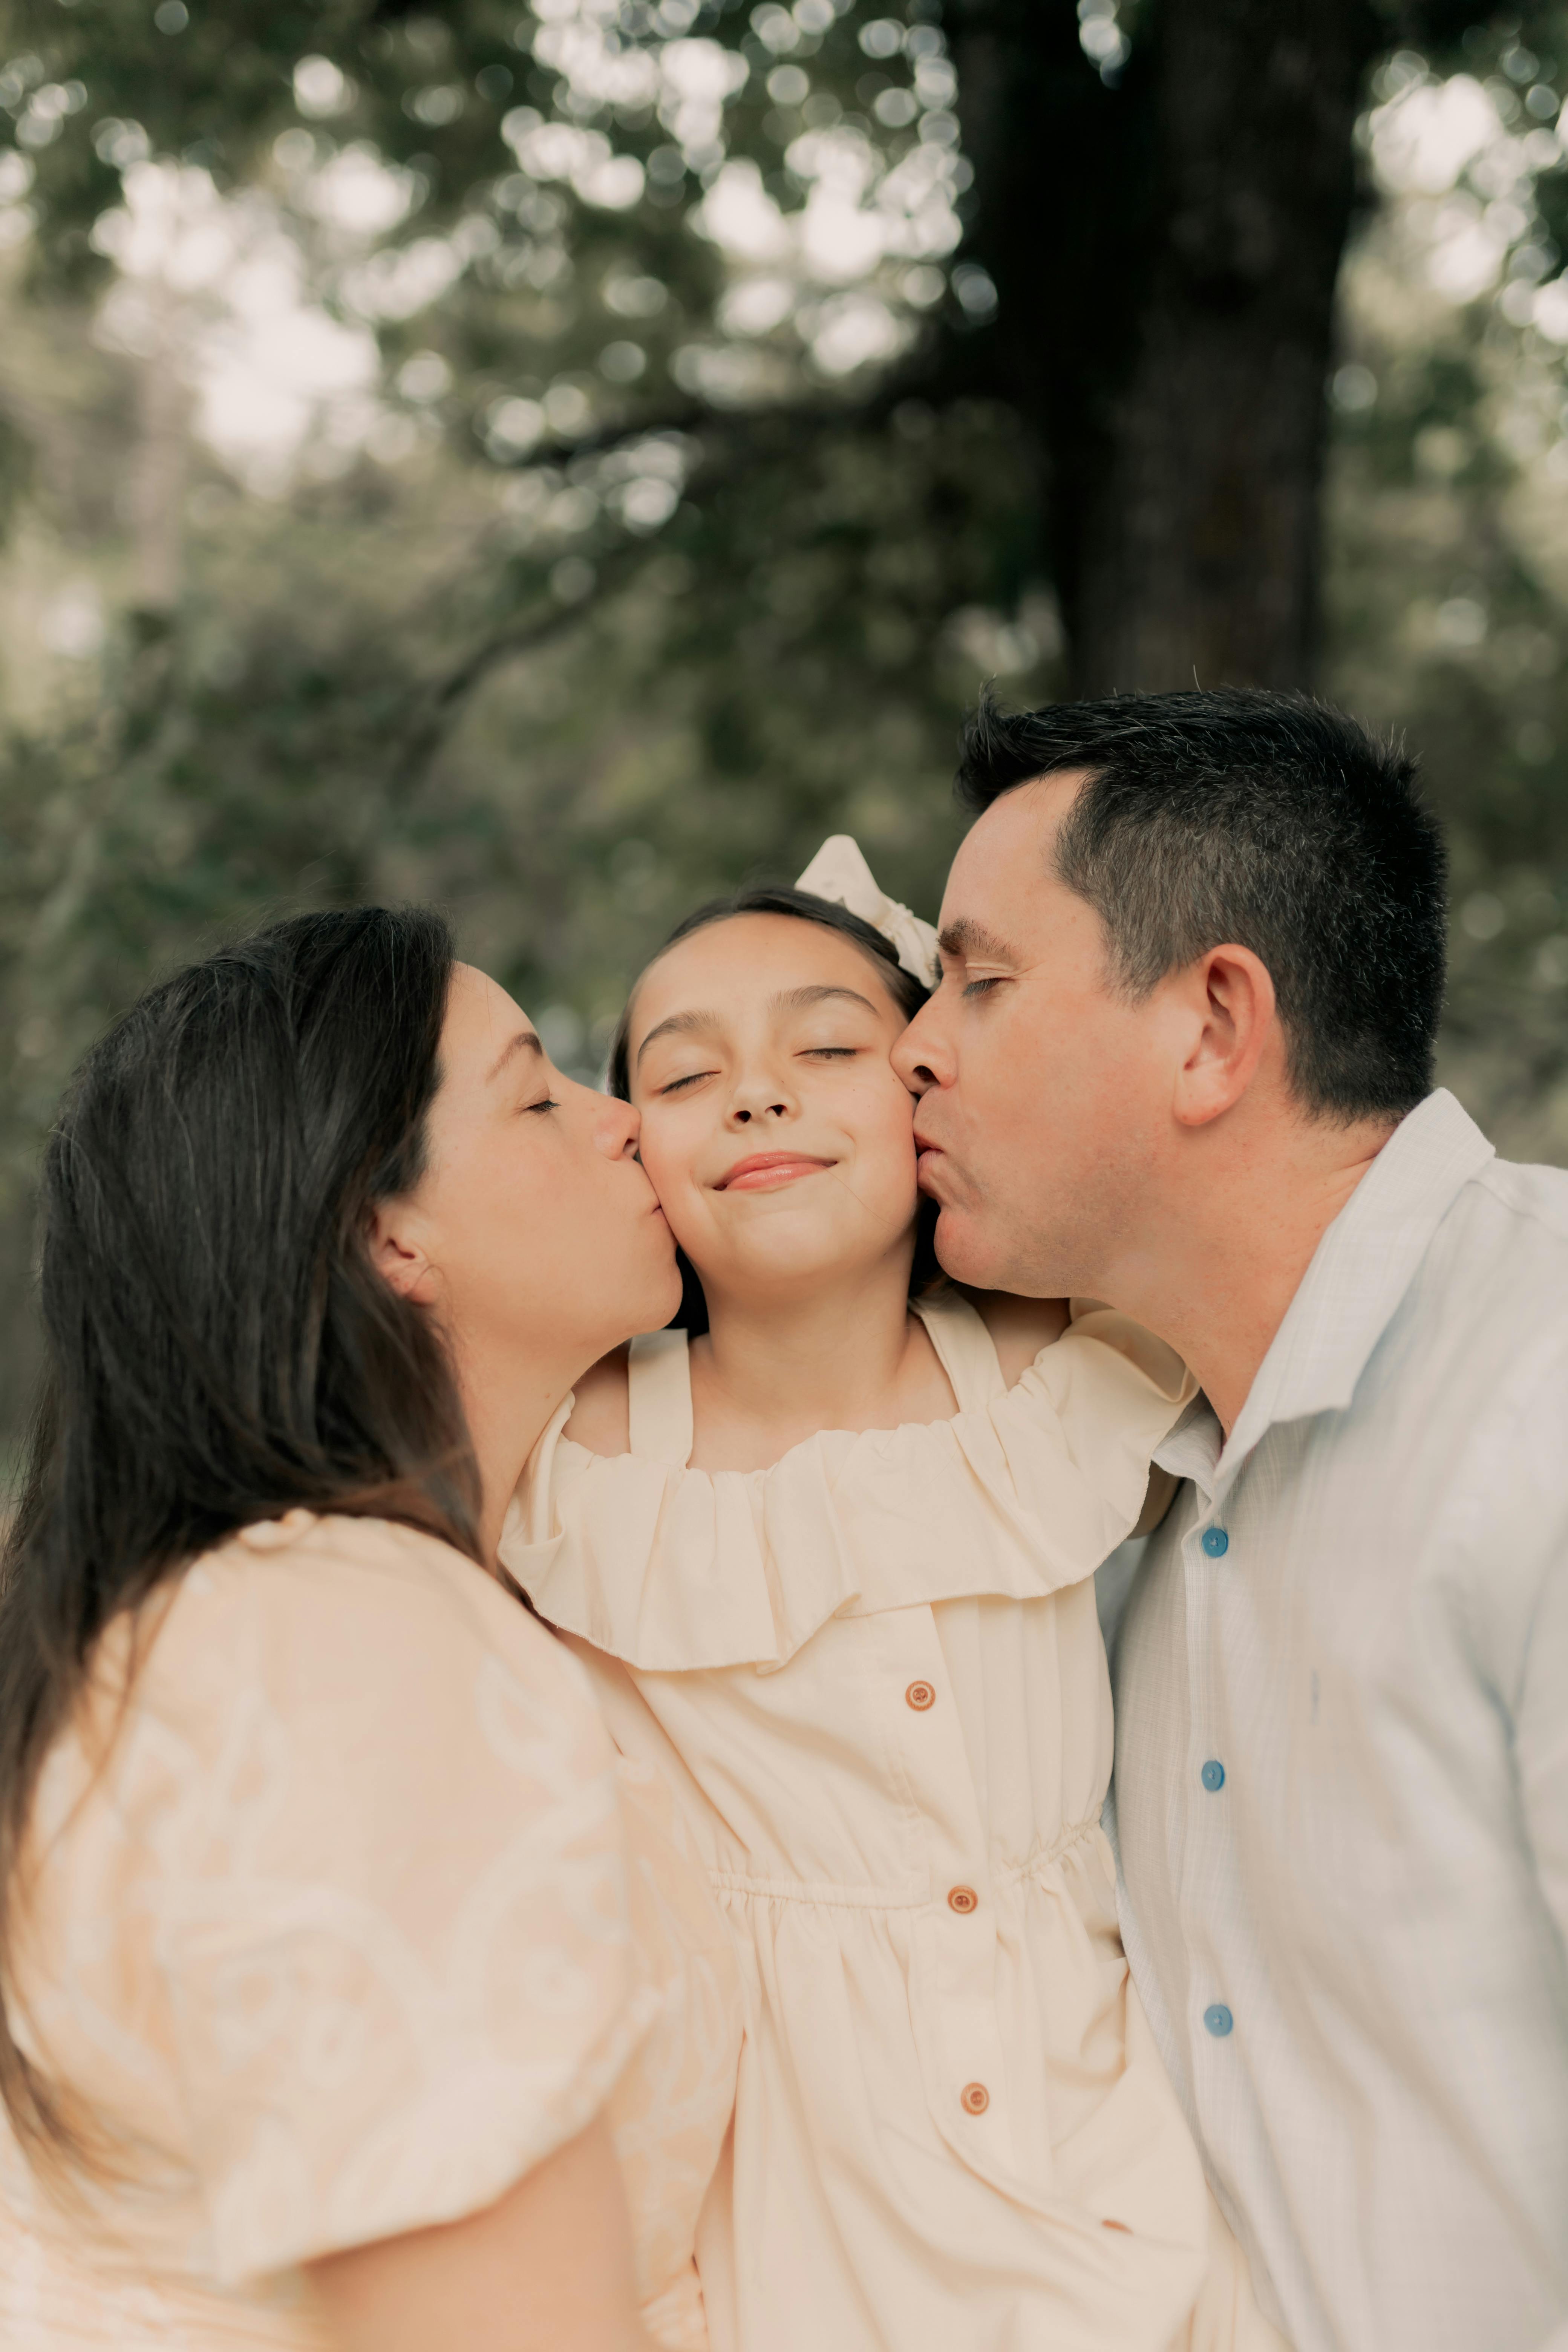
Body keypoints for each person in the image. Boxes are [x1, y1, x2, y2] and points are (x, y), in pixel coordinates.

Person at [502, 847, 1286, 2352]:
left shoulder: (1058, 1365)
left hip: (1101, 2119)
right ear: (632, 1157)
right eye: (683, 1076)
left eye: (827, 1048)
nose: (756, 1095)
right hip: (784, 2194)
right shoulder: (590, 1440)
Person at [894, 687, 1568, 2352]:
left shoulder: (1539, 1382)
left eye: (977, 981)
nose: (915, 1044)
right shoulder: (1103, 1489)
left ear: (1210, 1029)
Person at [0, 907, 741, 2352]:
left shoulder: (258, 1623)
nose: (626, 1127)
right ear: (384, 1232)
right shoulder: (347, 1652)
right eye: (539, 1096)